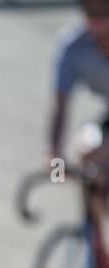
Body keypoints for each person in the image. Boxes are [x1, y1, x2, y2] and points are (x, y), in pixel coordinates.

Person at [50, 0, 109, 197]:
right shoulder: (74, 46)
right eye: (91, 13)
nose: (98, 21)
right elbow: (60, 106)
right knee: (87, 153)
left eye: (104, 12)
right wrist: (55, 159)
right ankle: (91, 224)